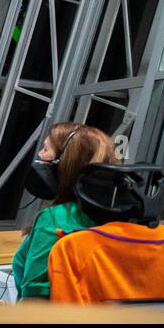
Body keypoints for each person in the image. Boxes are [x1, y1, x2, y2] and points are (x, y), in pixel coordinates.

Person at [11, 122, 119, 299]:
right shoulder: (118, 217)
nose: (40, 155)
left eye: (45, 149)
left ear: (64, 163)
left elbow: (36, 299)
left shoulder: (55, 219)